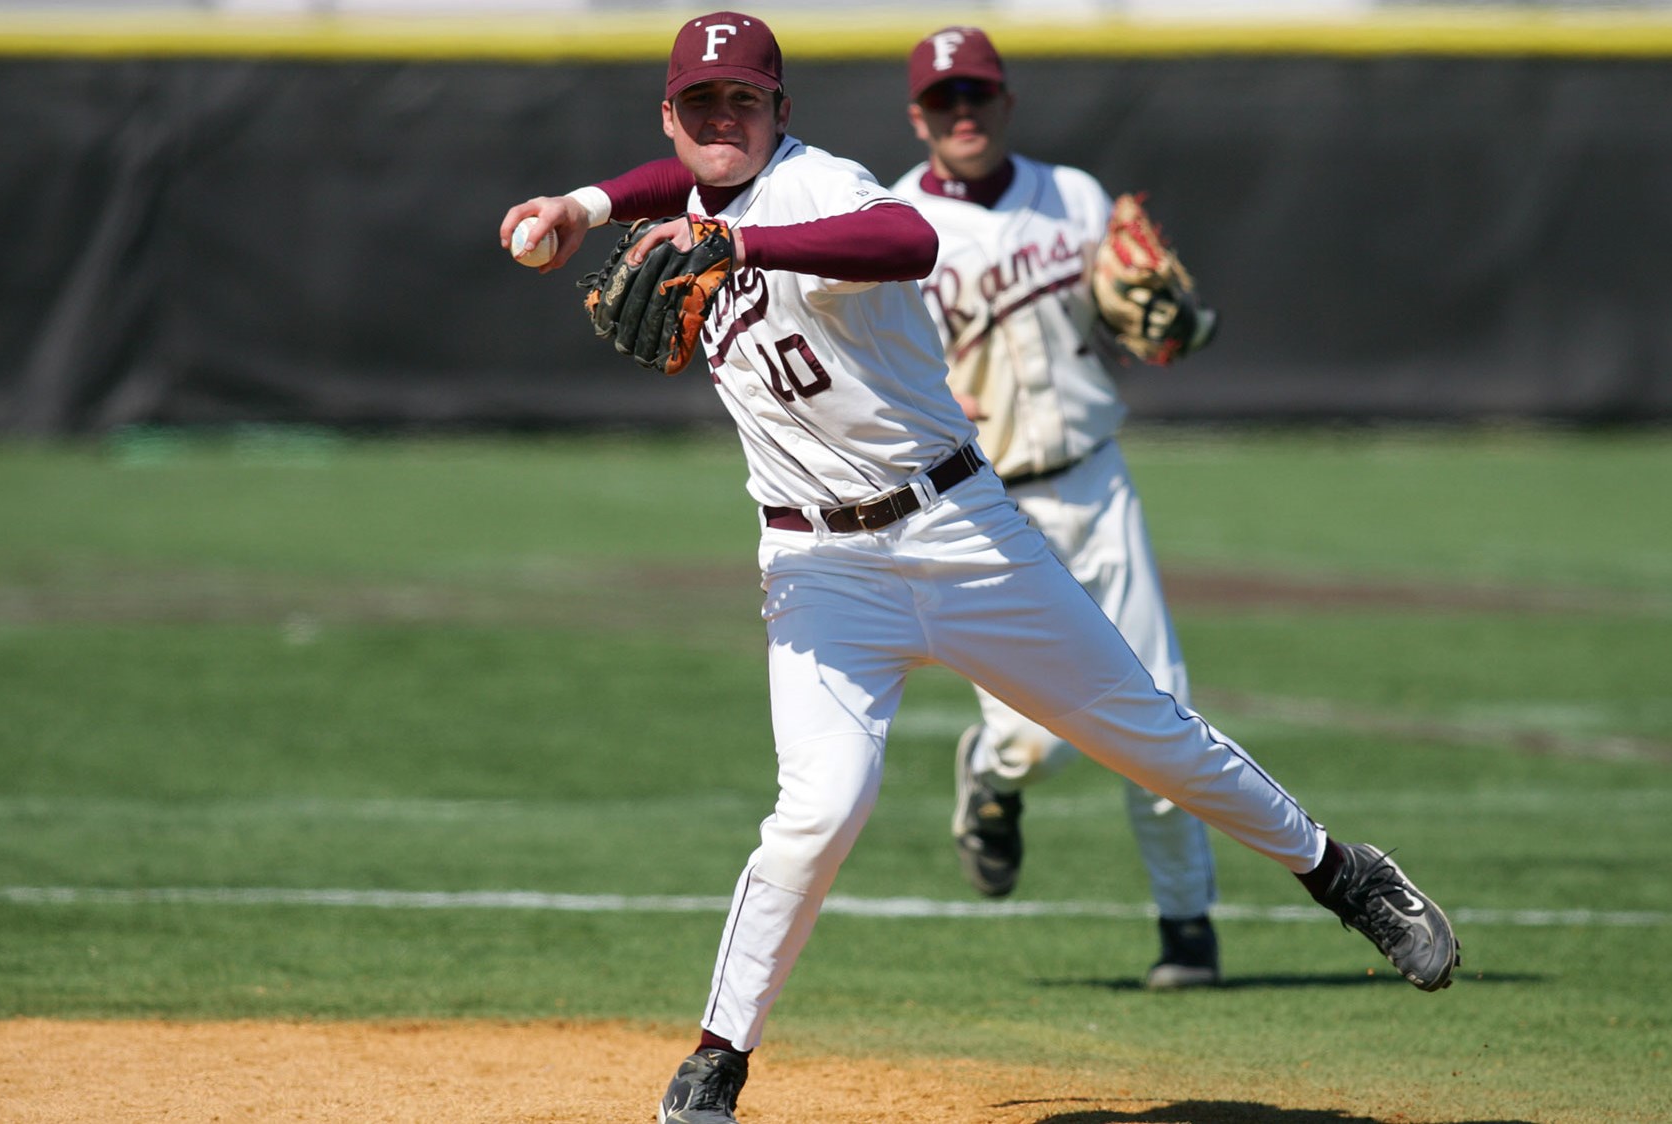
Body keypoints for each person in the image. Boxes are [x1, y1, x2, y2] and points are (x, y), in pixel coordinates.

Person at [499, 14, 1460, 1124]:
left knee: (1149, 732)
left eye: (745, 103)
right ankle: (717, 1057)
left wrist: (741, 250)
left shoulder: (819, 191)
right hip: (818, 569)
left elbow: (904, 241)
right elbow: (692, 181)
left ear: (782, 115)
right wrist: (585, 206)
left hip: (958, 535)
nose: (723, 124)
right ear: (670, 116)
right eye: (700, 106)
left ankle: (1341, 873)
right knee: (818, 809)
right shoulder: (697, 193)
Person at [889, 25, 1224, 990]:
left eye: (979, 95)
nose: (964, 114)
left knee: (1163, 718)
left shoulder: (1072, 195)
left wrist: (1181, 324)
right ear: (917, 117)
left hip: (1094, 476)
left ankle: (1187, 927)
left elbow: (1144, 322)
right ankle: (991, 782)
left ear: (1006, 102)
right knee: (1031, 743)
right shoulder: (902, 226)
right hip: (982, 502)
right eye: (945, 100)